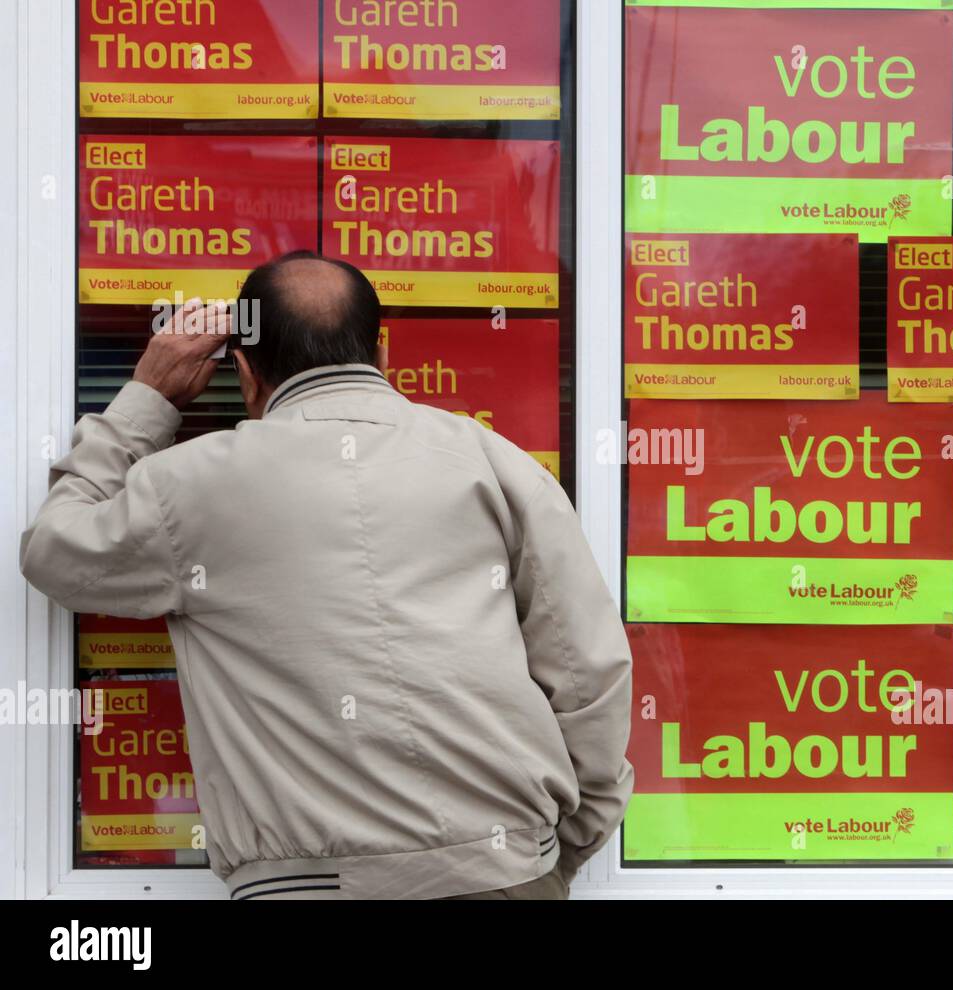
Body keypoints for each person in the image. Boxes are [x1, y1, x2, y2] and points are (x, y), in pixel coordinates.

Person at [20, 253, 633, 900]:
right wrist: (559, 852)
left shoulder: (191, 486)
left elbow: (56, 552)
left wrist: (144, 402)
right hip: (509, 871)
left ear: (245, 372)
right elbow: (588, 669)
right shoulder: (496, 464)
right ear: (381, 352)